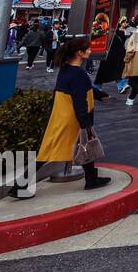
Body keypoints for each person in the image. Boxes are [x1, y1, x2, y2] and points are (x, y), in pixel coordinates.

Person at [34, 36, 112, 192]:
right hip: (73, 118)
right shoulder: (79, 74)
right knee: (50, 151)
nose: (90, 51)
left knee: (84, 146)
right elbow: (79, 99)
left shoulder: (67, 69)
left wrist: (99, 94)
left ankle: (91, 179)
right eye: (87, 49)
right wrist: (85, 123)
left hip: (63, 115)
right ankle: (21, 184)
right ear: (80, 53)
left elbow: (78, 89)